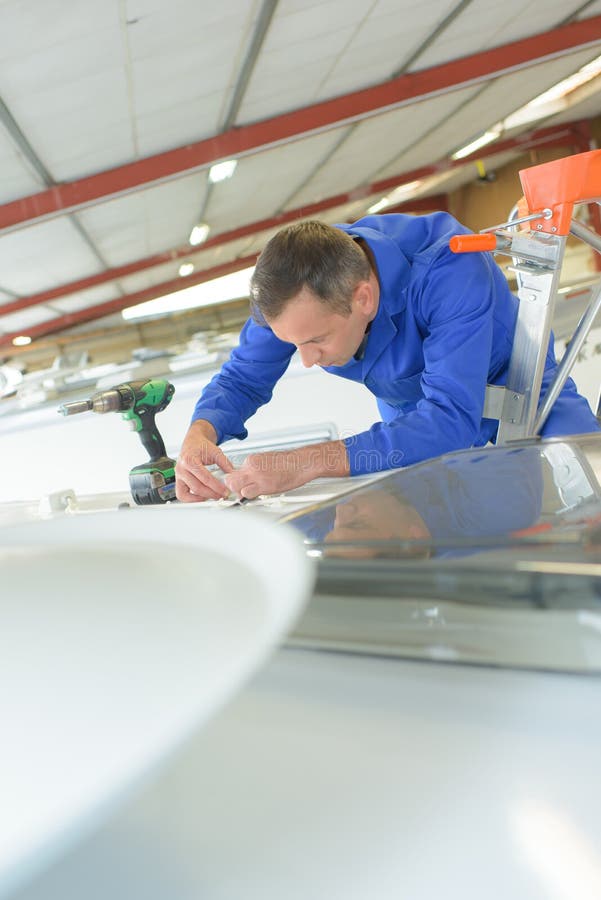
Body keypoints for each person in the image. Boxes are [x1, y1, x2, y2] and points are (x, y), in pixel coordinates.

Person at [175, 213, 599, 502]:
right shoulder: (295, 289)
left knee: (589, 484)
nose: (304, 360)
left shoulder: (448, 265)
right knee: (430, 529)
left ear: (364, 297)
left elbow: (451, 418)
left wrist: (307, 462)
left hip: (517, 382)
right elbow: (242, 379)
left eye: (317, 341)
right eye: (294, 343)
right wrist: (201, 432)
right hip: (411, 408)